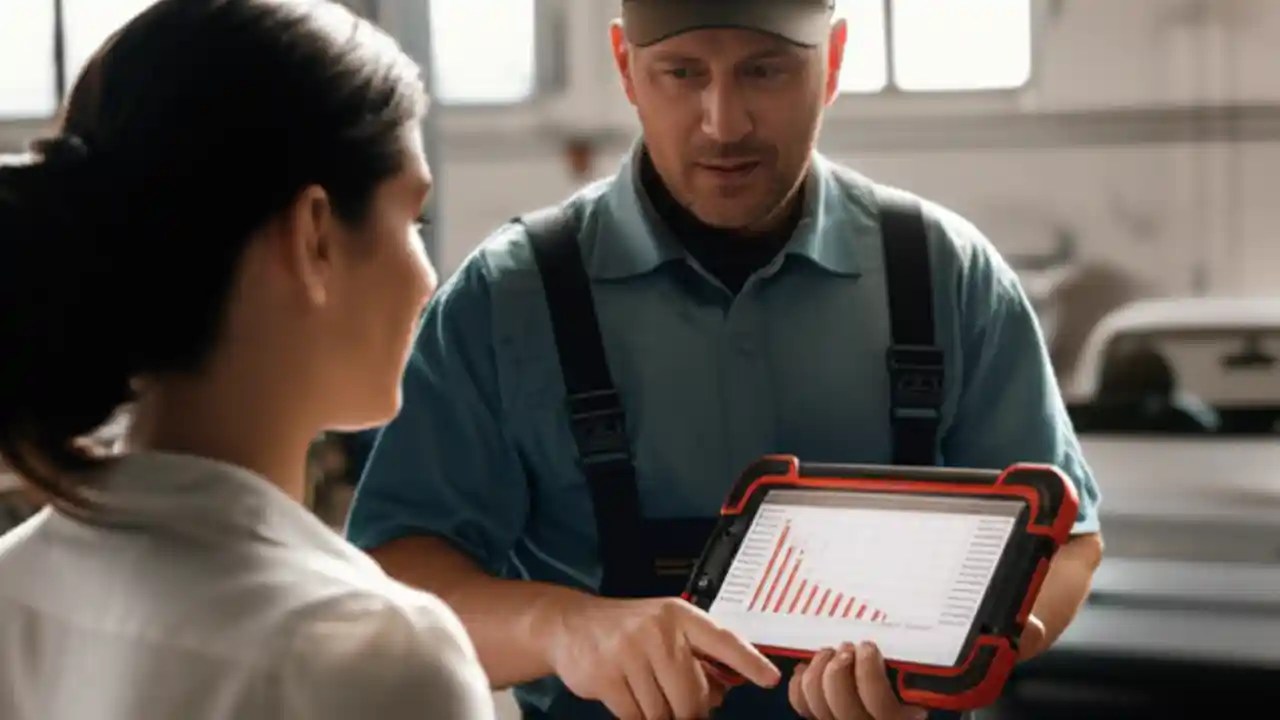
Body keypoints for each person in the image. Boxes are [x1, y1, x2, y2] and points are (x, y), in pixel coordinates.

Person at [346, 1, 1105, 718]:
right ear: (625, 66)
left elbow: (1066, 541)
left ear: (832, 61)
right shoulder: (508, 300)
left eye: (765, 70)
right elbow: (395, 578)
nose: (724, 122)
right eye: (682, 73)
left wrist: (966, 657)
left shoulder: (944, 275)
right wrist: (563, 626)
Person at [0, 1, 493, 718]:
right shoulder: (367, 657)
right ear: (315, 236)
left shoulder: (15, 588)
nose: (428, 278)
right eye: (411, 220)